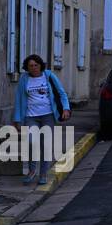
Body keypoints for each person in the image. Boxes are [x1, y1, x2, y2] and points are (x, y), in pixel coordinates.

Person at [13, 54, 71, 187]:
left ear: (40, 65)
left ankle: (43, 173)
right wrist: (17, 119)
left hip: (48, 116)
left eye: (36, 65)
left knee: (45, 145)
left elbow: (61, 93)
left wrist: (66, 109)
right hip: (30, 116)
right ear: (27, 68)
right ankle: (32, 171)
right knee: (32, 142)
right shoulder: (24, 79)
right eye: (30, 66)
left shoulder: (48, 75)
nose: (33, 68)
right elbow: (18, 99)